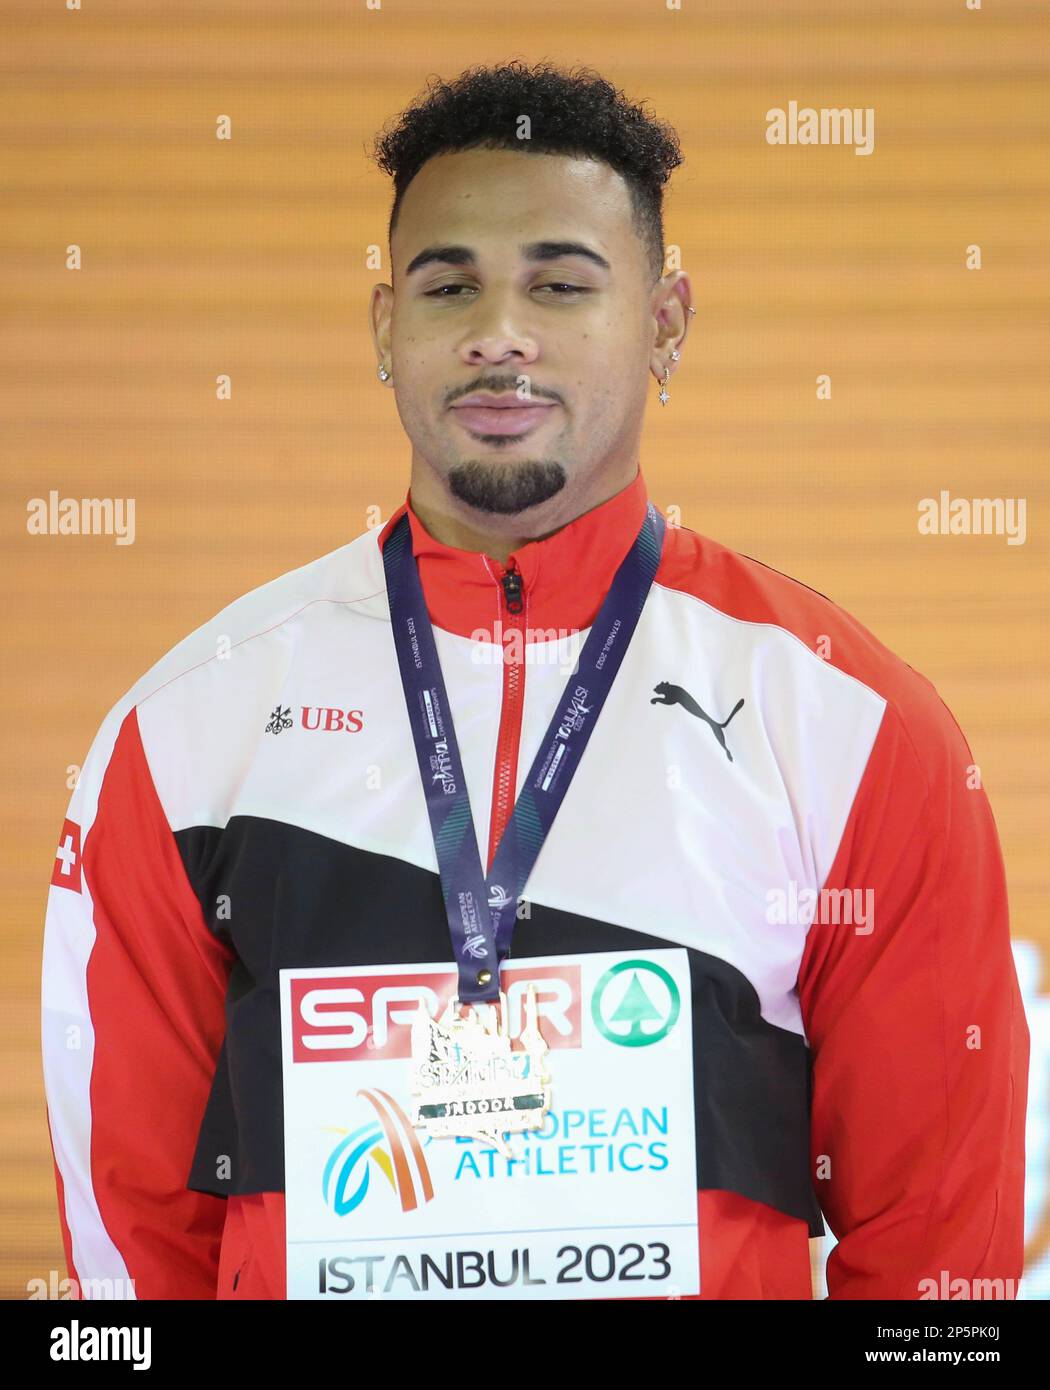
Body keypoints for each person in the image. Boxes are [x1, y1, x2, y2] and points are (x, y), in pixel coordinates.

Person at [41, 60, 1028, 1302]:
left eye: (560, 285)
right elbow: (132, 1231)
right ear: (384, 327)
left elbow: (937, 1239)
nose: (499, 332)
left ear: (666, 321)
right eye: (449, 284)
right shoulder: (192, 729)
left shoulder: (844, 720)